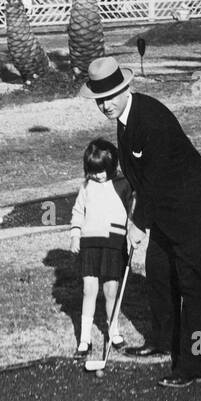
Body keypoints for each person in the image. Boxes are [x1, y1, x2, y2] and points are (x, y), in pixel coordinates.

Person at [82, 57, 201, 389]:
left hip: (192, 208)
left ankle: (194, 362)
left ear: (125, 88)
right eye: (100, 100)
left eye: (110, 96)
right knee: (159, 273)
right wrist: (135, 213)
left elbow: (157, 179)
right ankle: (163, 340)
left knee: (193, 287)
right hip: (164, 207)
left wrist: (137, 223)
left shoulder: (151, 119)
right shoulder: (124, 119)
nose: (105, 105)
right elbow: (141, 177)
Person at [69, 138, 133, 359]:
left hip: (113, 245)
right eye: (93, 171)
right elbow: (78, 211)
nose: (97, 176)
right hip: (90, 244)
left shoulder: (123, 184)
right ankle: (85, 339)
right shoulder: (86, 186)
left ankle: (113, 332)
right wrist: (75, 234)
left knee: (111, 291)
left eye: (102, 171)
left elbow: (132, 212)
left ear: (112, 166)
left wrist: (134, 231)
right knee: (89, 289)